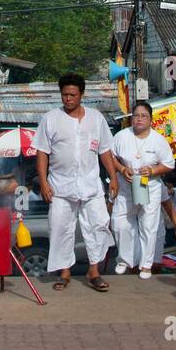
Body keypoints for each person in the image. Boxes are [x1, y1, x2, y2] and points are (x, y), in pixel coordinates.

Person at [35, 73, 115, 293]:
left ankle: (94, 271)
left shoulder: (96, 118)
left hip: (91, 184)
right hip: (60, 185)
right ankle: (64, 272)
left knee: (99, 225)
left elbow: (105, 150)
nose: (68, 99)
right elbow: (42, 152)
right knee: (60, 228)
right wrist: (43, 182)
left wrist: (114, 178)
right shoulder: (50, 118)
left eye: (72, 95)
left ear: (82, 95)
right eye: (64, 95)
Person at [107, 101, 175, 278]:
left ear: (150, 119)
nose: (139, 119)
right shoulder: (121, 136)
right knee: (120, 223)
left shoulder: (158, 140)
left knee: (148, 226)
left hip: (148, 185)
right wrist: (122, 169)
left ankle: (146, 265)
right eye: (136, 115)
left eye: (143, 116)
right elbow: (110, 156)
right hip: (126, 185)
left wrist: (153, 170)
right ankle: (126, 259)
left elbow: (169, 164)